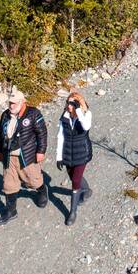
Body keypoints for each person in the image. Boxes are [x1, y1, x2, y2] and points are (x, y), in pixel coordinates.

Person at [0, 86, 49, 226]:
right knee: (8, 184)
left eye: (14, 103)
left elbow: (42, 133)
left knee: (33, 179)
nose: (11, 106)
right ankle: (11, 212)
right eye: (10, 103)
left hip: (27, 155)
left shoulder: (33, 113)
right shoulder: (5, 115)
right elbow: (0, 134)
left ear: (22, 102)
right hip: (9, 156)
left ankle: (42, 191)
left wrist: (41, 151)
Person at [55, 91, 94, 226]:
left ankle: (72, 212)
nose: (69, 106)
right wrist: (59, 157)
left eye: (72, 103)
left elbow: (86, 126)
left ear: (78, 103)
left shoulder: (86, 114)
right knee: (73, 177)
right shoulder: (64, 116)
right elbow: (60, 136)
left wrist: (78, 110)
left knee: (75, 180)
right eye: (68, 103)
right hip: (67, 152)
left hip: (82, 151)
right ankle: (87, 190)